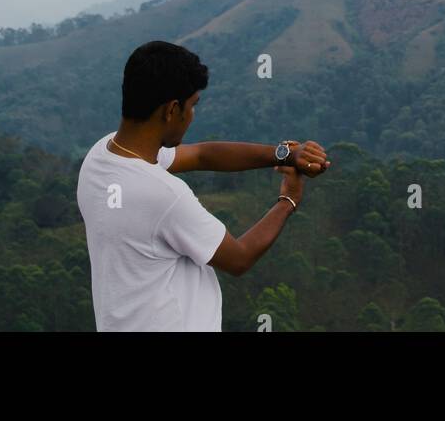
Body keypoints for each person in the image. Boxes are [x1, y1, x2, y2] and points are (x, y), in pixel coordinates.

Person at [76, 40, 330, 331]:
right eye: (192, 105)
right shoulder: (164, 195)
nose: (193, 115)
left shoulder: (101, 156)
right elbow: (239, 258)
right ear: (172, 109)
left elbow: (202, 154)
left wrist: (284, 153)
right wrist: (288, 200)